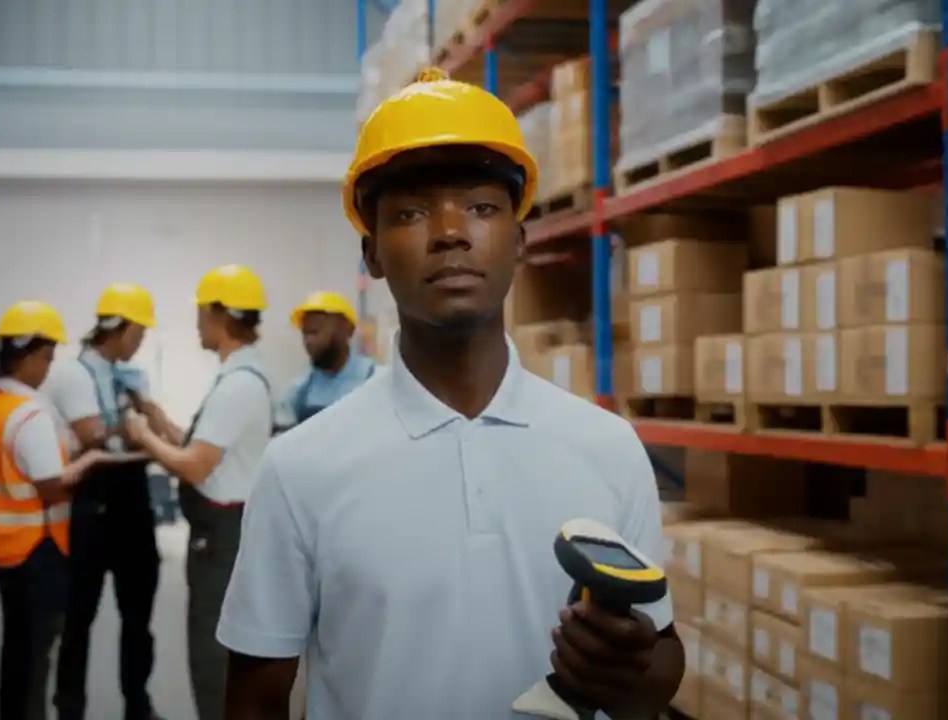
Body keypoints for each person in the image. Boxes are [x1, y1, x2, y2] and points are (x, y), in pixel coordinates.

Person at [215, 67, 685, 719]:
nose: (450, 231)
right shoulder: (301, 470)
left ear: (520, 241)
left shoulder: (605, 448)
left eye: (483, 208)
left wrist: (625, 664)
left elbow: (662, 653)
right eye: (410, 213)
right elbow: (255, 698)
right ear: (372, 253)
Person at [124, 264, 274, 720]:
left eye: (201, 312)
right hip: (218, 534)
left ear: (219, 315)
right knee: (211, 648)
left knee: (212, 655)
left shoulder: (239, 385)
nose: (196, 323)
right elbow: (198, 442)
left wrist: (141, 436)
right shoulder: (234, 377)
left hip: (223, 538)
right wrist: (155, 415)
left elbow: (194, 465)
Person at [0, 301, 110, 720]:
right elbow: (51, 487)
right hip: (38, 552)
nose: (48, 369)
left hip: (5, 550)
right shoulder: (29, 413)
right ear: (29, 356)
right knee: (34, 660)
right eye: (47, 358)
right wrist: (89, 461)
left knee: (16, 653)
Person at [46, 283, 165, 720]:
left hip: (132, 496)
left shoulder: (130, 375)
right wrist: (137, 429)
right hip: (93, 501)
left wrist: (146, 409)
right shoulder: (73, 374)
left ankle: (138, 703)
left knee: (138, 616)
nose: (142, 342)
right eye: (140, 332)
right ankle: (70, 708)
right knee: (79, 616)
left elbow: (143, 428)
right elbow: (92, 434)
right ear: (121, 327)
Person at [275, 289, 378, 430]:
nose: (308, 341)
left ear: (347, 329)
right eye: (305, 333)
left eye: (315, 331)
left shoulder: (375, 379)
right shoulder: (298, 393)